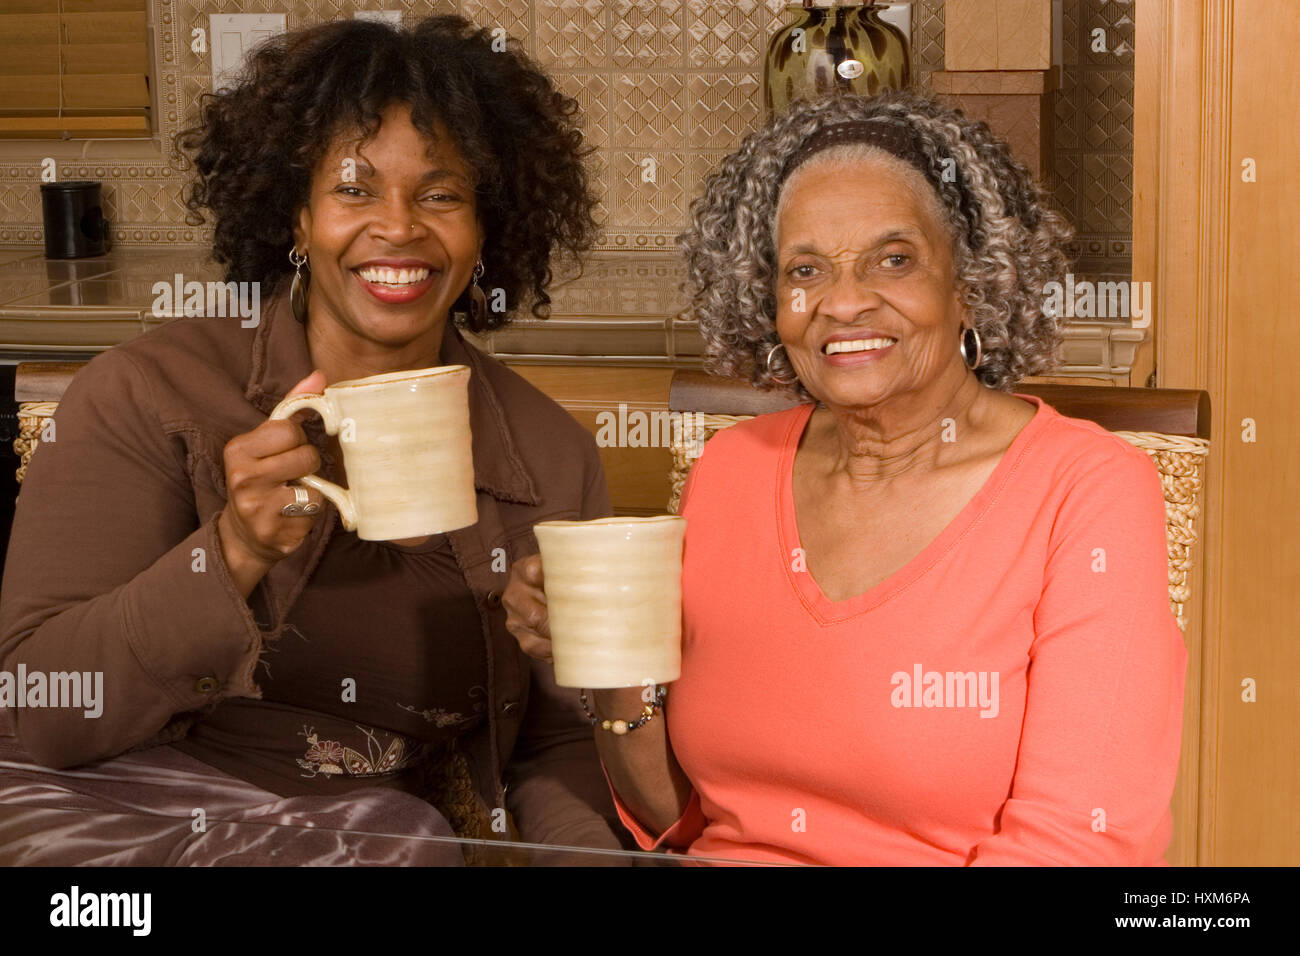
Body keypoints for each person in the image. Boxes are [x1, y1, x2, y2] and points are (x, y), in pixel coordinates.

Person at [0, 14, 626, 865]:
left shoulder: (551, 456)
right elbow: (41, 708)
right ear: (296, 218)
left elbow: (554, 747)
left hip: (349, 843)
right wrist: (230, 553)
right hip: (99, 805)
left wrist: (587, 858)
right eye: (355, 189)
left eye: (441, 195)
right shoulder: (150, 391)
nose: (398, 227)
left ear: (486, 231)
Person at [505, 90, 1188, 866]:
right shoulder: (733, 469)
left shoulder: (1085, 490)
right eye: (805, 270)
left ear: (971, 282)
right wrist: (612, 661)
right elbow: (685, 821)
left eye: (893, 260)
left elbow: (1076, 845)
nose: (844, 302)